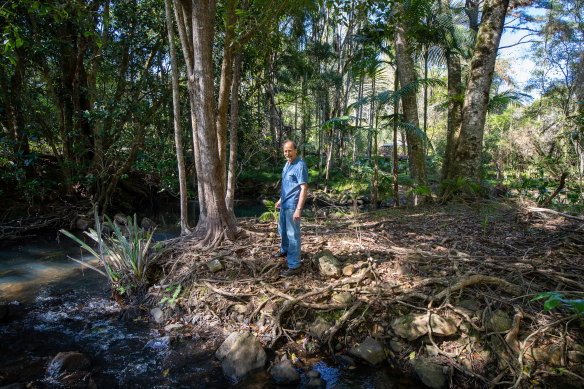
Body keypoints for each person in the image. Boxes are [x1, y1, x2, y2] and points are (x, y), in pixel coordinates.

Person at [273, 140, 308, 276]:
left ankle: (294, 265)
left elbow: (303, 188)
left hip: (293, 205)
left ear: (296, 150)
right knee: (282, 230)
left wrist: (298, 209)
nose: (287, 153)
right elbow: (287, 185)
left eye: (290, 150)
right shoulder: (287, 165)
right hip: (284, 204)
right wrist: (280, 200)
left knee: (293, 234)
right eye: (285, 151)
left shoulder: (300, 166)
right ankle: (285, 251)